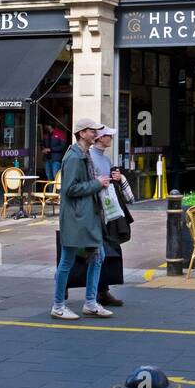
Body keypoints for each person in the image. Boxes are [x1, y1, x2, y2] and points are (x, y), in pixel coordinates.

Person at [52, 119, 112, 320]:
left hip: (85, 216)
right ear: (82, 133)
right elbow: (69, 190)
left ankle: (90, 302)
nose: (95, 132)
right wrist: (97, 184)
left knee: (98, 255)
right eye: (91, 130)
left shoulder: (83, 154)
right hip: (76, 217)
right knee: (67, 260)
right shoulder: (74, 157)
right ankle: (59, 305)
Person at [88, 126, 135, 308]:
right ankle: (94, 293)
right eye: (108, 136)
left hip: (108, 212)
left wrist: (118, 179)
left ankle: (102, 290)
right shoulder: (89, 157)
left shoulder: (106, 160)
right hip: (95, 213)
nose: (111, 138)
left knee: (106, 252)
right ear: (99, 138)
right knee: (94, 253)